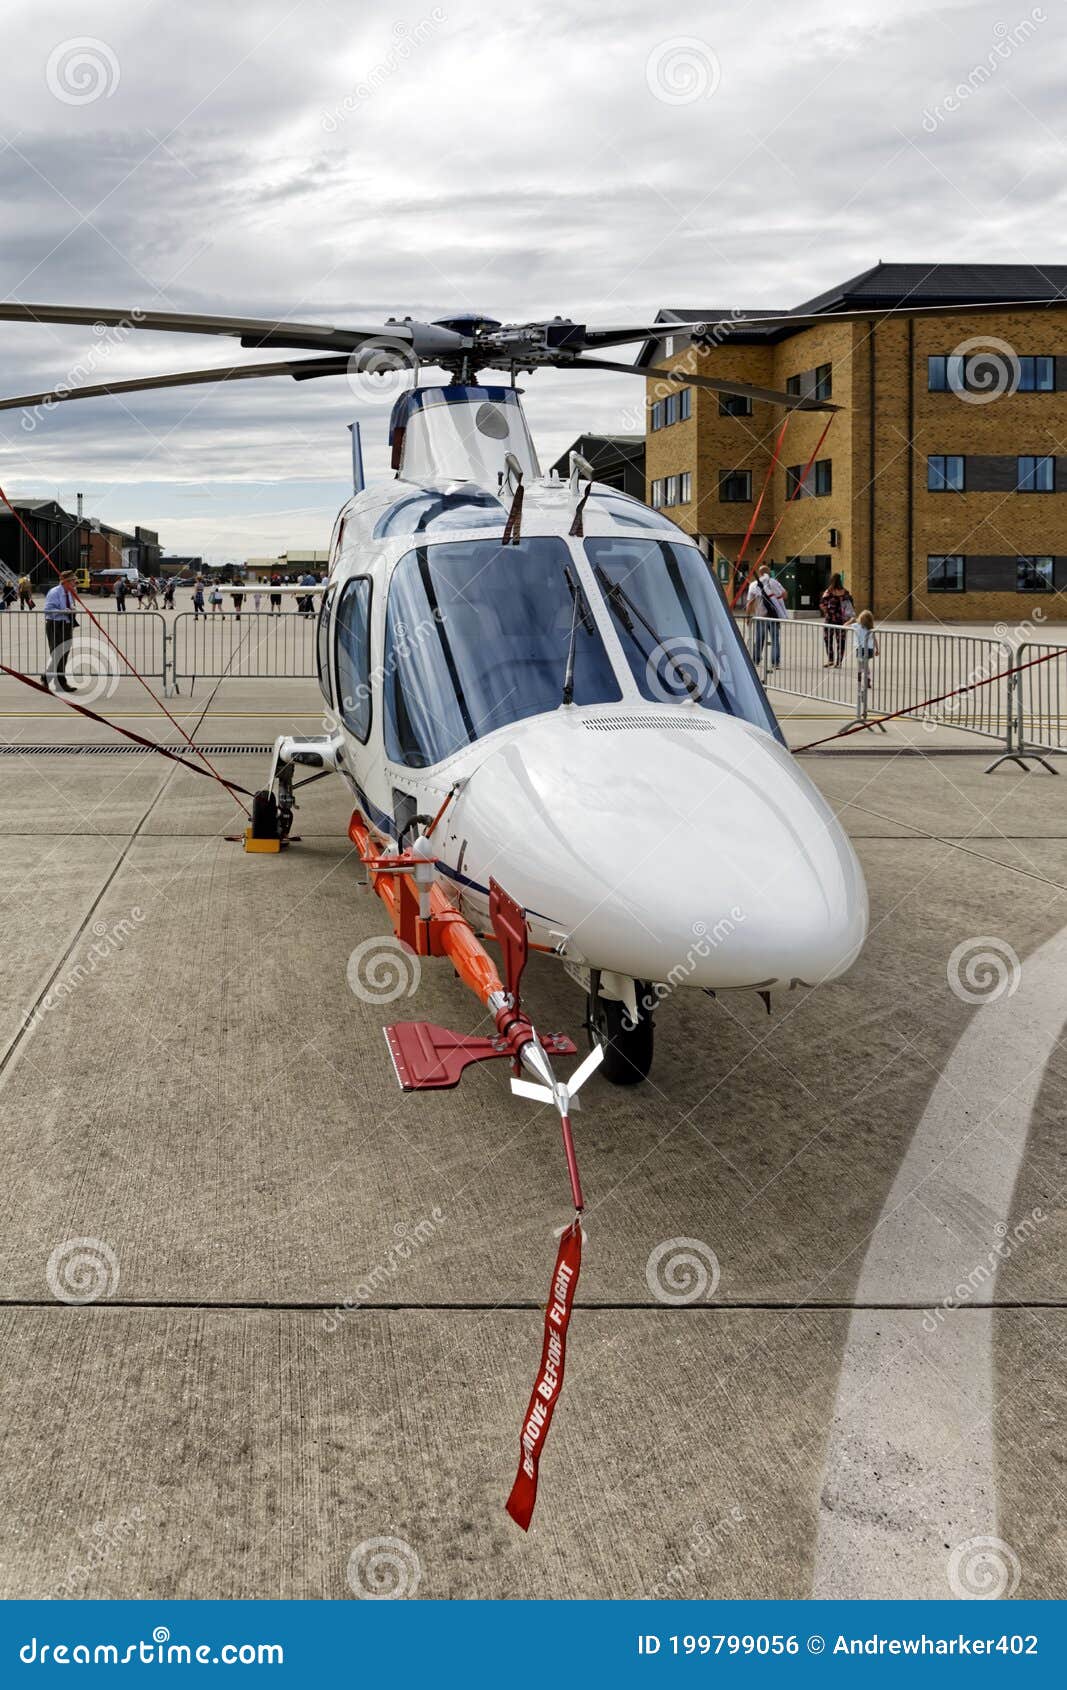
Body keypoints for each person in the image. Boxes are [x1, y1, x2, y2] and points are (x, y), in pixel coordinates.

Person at [744, 565, 788, 669]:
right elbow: (785, 595)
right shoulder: (775, 583)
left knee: (759, 639)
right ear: (769, 572)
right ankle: (775, 662)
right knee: (775, 639)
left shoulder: (753, 585)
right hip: (773, 616)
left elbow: (749, 603)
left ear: (759, 573)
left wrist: (748, 616)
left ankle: (756, 660)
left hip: (760, 617)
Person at [41, 569, 78, 692]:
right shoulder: (54, 592)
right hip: (55, 625)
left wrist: (72, 609)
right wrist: (63, 611)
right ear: (66, 581)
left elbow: (69, 605)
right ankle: (60, 682)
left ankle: (48, 679)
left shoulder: (69, 592)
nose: (75, 582)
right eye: (73, 580)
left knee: (64, 653)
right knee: (57, 654)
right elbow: (48, 610)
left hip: (66, 624)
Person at [819, 573, 851, 667]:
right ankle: (838, 662)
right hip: (842, 620)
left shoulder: (828, 591)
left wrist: (827, 612)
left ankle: (831, 659)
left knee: (827, 639)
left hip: (830, 619)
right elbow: (850, 606)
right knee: (841, 641)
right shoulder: (845, 592)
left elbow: (822, 603)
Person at [850, 608, 879, 701]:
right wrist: (877, 649)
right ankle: (867, 677)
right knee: (866, 664)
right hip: (869, 649)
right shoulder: (871, 629)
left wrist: (850, 620)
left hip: (861, 648)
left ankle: (861, 675)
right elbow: (875, 640)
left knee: (860, 663)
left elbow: (845, 626)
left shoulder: (857, 626)